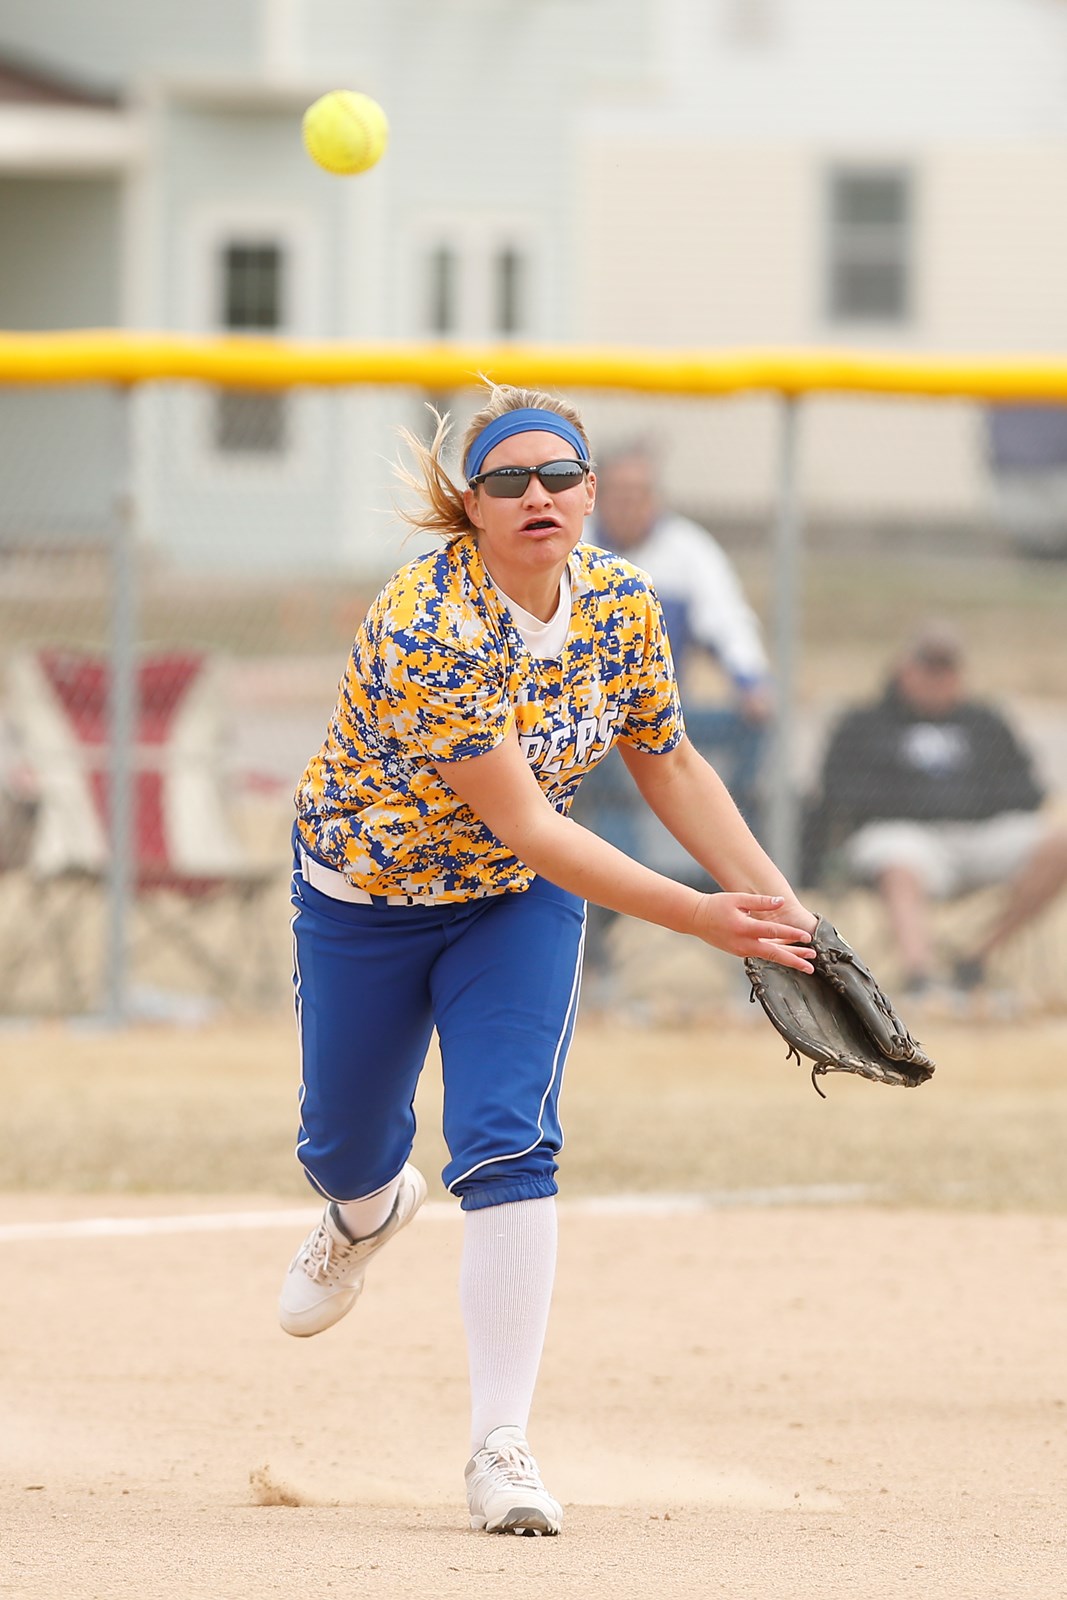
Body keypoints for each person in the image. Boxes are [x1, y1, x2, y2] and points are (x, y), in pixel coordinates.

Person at [280, 383, 816, 1538]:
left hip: (514, 906)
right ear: (468, 503)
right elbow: (526, 819)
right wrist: (699, 916)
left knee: (508, 1139)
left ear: (590, 492)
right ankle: (364, 1213)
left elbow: (668, 763)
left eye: (560, 474)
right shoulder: (428, 620)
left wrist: (783, 910)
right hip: (369, 899)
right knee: (343, 1144)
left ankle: (500, 1444)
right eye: (508, 479)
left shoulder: (620, 602)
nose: (538, 495)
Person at [576, 442, 775, 999]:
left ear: (657, 498)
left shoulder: (687, 550)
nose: (628, 503)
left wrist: (750, 681)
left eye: (639, 493)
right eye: (618, 492)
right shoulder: (571, 544)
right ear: (596, 495)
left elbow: (728, 622)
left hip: (650, 725)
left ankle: (762, 957)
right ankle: (591, 962)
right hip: (584, 736)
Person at [806, 620, 1067, 997]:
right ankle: (921, 977)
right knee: (899, 858)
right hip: (899, 833)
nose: (937, 679)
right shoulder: (865, 724)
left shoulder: (985, 724)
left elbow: (1028, 791)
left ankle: (976, 958)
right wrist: (929, 799)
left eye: (947, 670)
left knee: (1060, 840)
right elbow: (838, 792)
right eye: (928, 667)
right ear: (904, 669)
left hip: (980, 834)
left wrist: (949, 800)